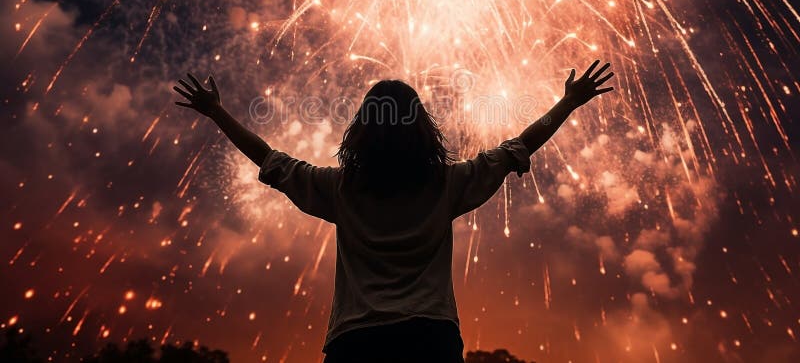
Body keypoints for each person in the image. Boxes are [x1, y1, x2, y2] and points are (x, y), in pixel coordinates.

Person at [173, 61, 614, 363]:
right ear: (422, 128)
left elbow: (270, 159)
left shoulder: (339, 189)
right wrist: (568, 103)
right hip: (431, 338)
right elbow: (518, 146)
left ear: (361, 130)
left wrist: (217, 113)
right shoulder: (447, 184)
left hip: (356, 341)